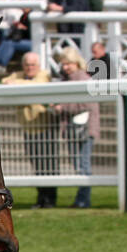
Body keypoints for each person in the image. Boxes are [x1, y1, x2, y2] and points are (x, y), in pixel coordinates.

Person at [5, 52, 58, 208]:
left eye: (33, 65)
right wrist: (15, 82)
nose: (30, 68)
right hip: (28, 129)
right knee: (37, 165)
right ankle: (41, 199)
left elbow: (37, 85)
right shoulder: (20, 75)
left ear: (38, 66)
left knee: (48, 165)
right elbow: (5, 81)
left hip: (44, 128)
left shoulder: (44, 75)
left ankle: (49, 200)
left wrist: (15, 83)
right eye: (27, 65)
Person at [51, 48, 97, 208]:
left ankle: (83, 200)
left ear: (76, 63)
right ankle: (81, 199)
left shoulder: (83, 79)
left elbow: (86, 105)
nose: (66, 67)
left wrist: (61, 107)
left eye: (69, 64)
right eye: (64, 64)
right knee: (78, 165)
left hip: (84, 128)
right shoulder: (67, 79)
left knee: (83, 165)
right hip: (73, 129)